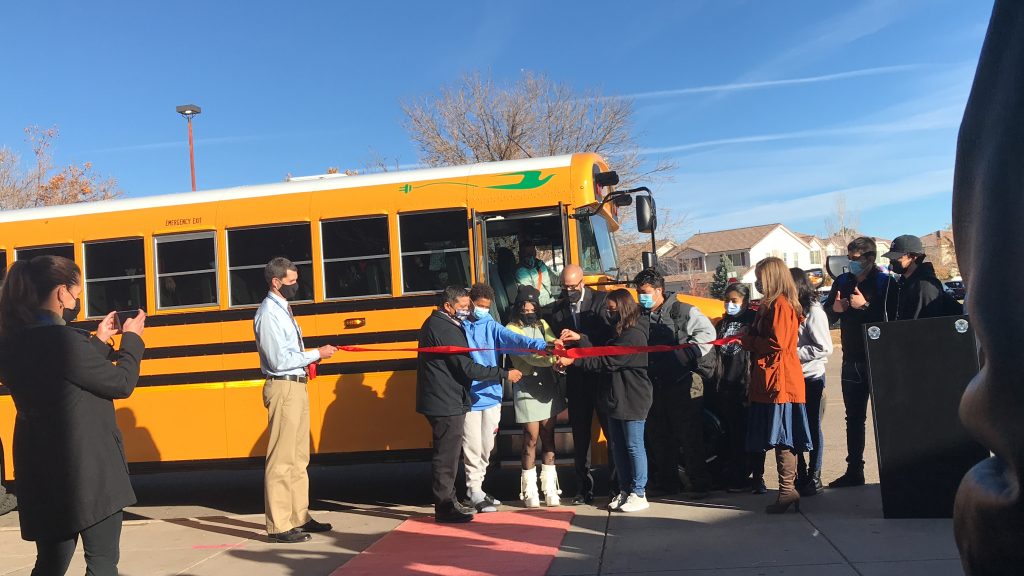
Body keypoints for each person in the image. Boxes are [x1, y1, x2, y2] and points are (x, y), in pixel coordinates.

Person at [0, 255, 146, 575]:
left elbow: (65, 380)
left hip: (43, 473)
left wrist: (99, 341)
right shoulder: (63, 341)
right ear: (61, 293)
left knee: (50, 564)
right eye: (76, 293)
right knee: (102, 563)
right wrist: (132, 341)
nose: (77, 300)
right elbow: (120, 383)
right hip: (90, 472)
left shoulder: (12, 343)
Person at [416, 286, 523, 523]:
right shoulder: (444, 328)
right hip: (445, 401)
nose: (468, 311)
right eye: (464, 307)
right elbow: (466, 367)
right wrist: (503, 374)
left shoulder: (443, 324)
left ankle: (451, 500)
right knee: (447, 456)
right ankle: (445, 507)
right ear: (448, 306)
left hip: (448, 399)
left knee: (452, 454)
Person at [254, 257, 337, 543]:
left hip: (297, 384)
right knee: (281, 458)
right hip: (283, 386)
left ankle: (299, 515)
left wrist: (310, 359)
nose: (296, 286)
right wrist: (316, 353)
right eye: (291, 282)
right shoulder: (268, 314)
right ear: (276, 282)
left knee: (299, 457)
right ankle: (279, 525)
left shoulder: (284, 309)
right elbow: (278, 361)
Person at [559, 289, 652, 513]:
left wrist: (574, 360)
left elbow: (607, 360)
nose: (608, 314)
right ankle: (624, 490)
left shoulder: (634, 335)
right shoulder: (617, 331)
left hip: (632, 397)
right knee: (618, 447)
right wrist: (580, 339)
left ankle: (639, 492)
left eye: (612, 310)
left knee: (633, 446)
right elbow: (598, 346)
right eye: (607, 309)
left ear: (623, 308)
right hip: (615, 397)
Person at [462, 283, 547, 512]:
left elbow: (513, 339)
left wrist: (540, 345)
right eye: (479, 306)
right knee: (472, 445)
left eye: (486, 306)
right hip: (469, 397)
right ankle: (473, 489)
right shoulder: (461, 327)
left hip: (491, 394)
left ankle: (477, 488)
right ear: (471, 303)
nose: (483, 310)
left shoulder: (491, 325)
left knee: (486, 446)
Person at [633, 269, 716, 497]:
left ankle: (699, 483)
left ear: (659, 290)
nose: (641, 297)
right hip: (653, 384)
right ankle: (667, 483)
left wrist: (687, 353)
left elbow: (708, 334)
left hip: (682, 382)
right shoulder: (638, 315)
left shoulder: (683, 310)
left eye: (645, 292)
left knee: (689, 435)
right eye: (638, 292)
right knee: (658, 435)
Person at [822, 237, 897, 488]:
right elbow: (827, 315)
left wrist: (864, 306)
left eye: (855, 259)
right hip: (852, 359)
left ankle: (894, 471)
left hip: (878, 360)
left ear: (870, 258)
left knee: (886, 418)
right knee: (853, 418)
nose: (851, 263)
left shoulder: (885, 282)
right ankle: (854, 470)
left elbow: (891, 321)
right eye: (848, 259)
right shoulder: (843, 281)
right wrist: (835, 310)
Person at [742, 257, 813, 514]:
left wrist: (749, 341)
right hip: (770, 379)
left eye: (760, 278)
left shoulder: (781, 305)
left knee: (783, 436)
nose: (758, 282)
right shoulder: (770, 305)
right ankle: (787, 490)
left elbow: (779, 343)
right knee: (778, 436)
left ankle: (787, 490)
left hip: (780, 381)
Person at [547, 264, 614, 505]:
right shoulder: (558, 309)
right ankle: (583, 489)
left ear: (582, 283)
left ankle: (616, 487)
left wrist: (581, 338)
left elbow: (607, 337)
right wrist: (559, 357)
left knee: (611, 434)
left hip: (600, 376)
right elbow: (558, 342)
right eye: (564, 287)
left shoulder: (601, 302)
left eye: (572, 287)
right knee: (580, 436)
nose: (568, 292)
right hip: (576, 380)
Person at [506, 285, 565, 507]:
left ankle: (550, 487)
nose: (529, 313)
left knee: (548, 436)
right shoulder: (511, 329)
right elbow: (530, 357)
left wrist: (558, 349)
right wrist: (553, 359)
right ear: (518, 308)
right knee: (531, 437)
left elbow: (552, 341)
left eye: (533, 309)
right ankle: (529, 489)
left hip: (546, 384)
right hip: (526, 385)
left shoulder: (542, 324)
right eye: (525, 309)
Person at [791, 268, 834, 497]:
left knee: (812, 426)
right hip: (792, 377)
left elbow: (824, 347)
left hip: (811, 378)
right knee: (794, 427)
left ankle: (814, 474)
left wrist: (793, 354)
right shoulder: (791, 309)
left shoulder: (814, 312)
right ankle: (800, 473)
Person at [713, 283, 759, 493]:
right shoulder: (723, 323)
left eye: (734, 301)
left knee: (745, 434)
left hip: (743, 385)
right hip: (725, 385)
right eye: (727, 301)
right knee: (730, 434)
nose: (729, 305)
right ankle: (732, 474)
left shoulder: (753, 321)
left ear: (745, 302)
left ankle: (749, 476)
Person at [883, 235, 964, 320]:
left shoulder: (924, 285)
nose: (891, 261)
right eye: (891, 257)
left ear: (913, 257)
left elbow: (926, 323)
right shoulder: (904, 284)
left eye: (896, 257)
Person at [515, 242, 554, 306]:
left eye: (532, 253)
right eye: (527, 254)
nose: (531, 256)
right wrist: (555, 301)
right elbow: (531, 299)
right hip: (541, 306)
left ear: (535, 252)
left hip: (549, 298)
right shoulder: (521, 272)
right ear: (521, 255)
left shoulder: (540, 264)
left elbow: (555, 278)